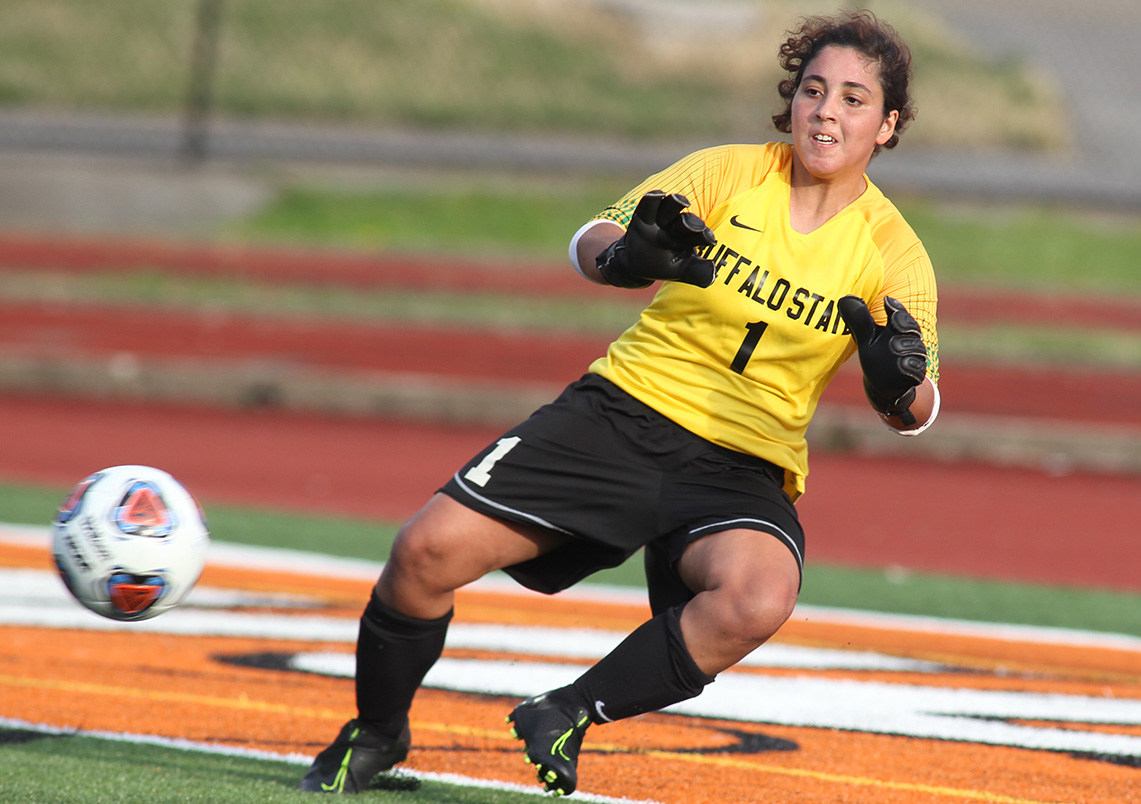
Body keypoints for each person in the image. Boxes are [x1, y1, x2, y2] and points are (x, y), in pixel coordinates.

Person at [298, 9, 939, 796]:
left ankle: (568, 711)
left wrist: (894, 381)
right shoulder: (729, 171)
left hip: (742, 465)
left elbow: (919, 405)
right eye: (813, 90)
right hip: (621, 414)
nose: (826, 112)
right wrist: (629, 257)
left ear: (887, 124)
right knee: (422, 555)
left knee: (760, 595)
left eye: (853, 99)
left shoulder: (895, 251)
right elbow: (592, 237)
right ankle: (376, 732)